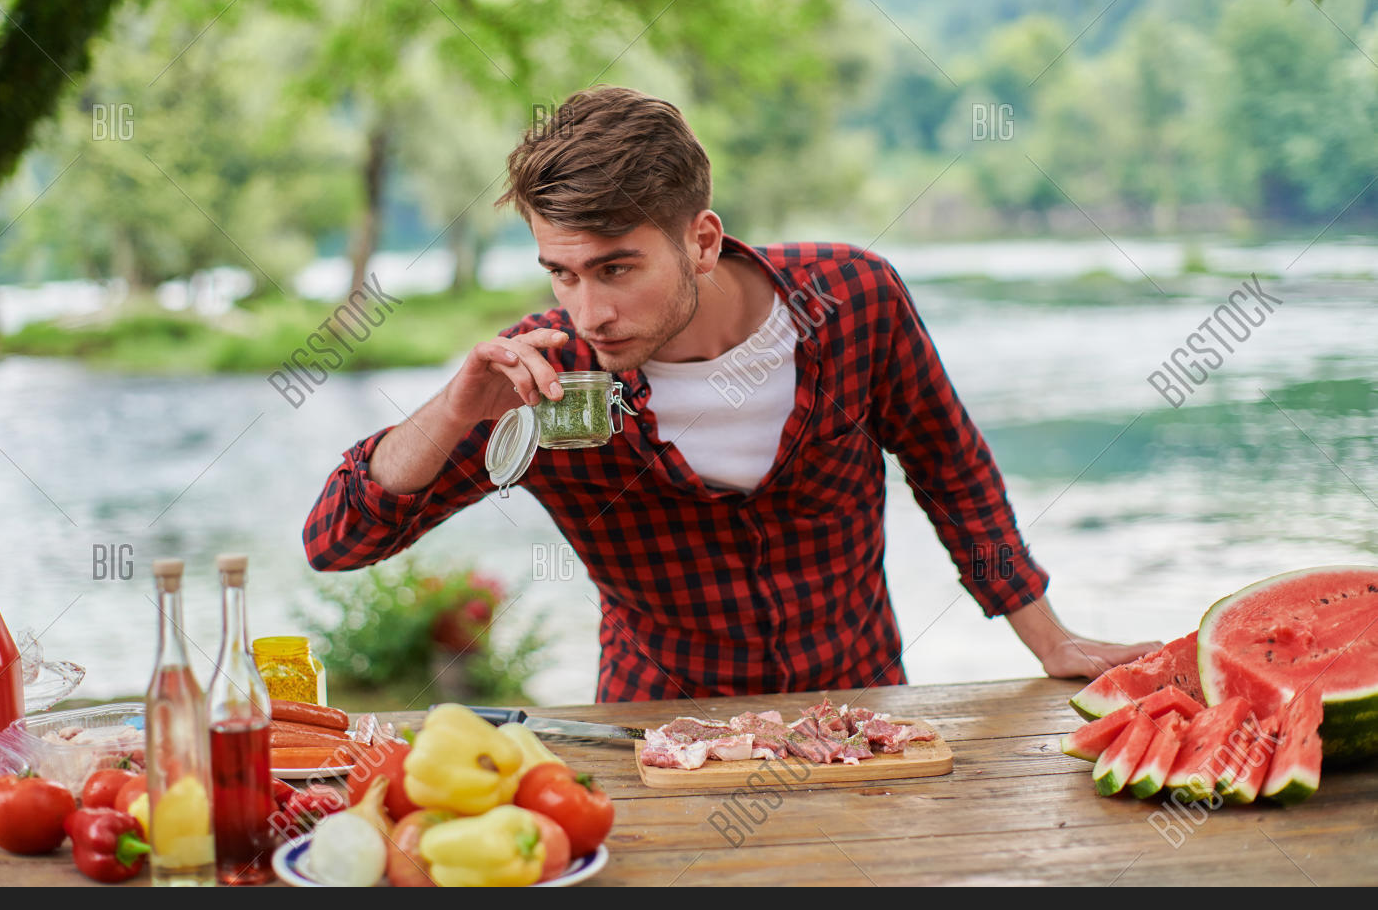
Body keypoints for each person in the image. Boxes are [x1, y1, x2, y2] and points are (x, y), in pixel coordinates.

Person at [303, 85, 1160, 701]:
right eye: (561, 274)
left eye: (617, 269)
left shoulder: (853, 298)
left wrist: (1047, 638)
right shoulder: (546, 378)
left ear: (702, 240)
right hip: (656, 745)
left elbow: (952, 469)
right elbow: (338, 542)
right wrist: (456, 410)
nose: (589, 311)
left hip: (864, 724)